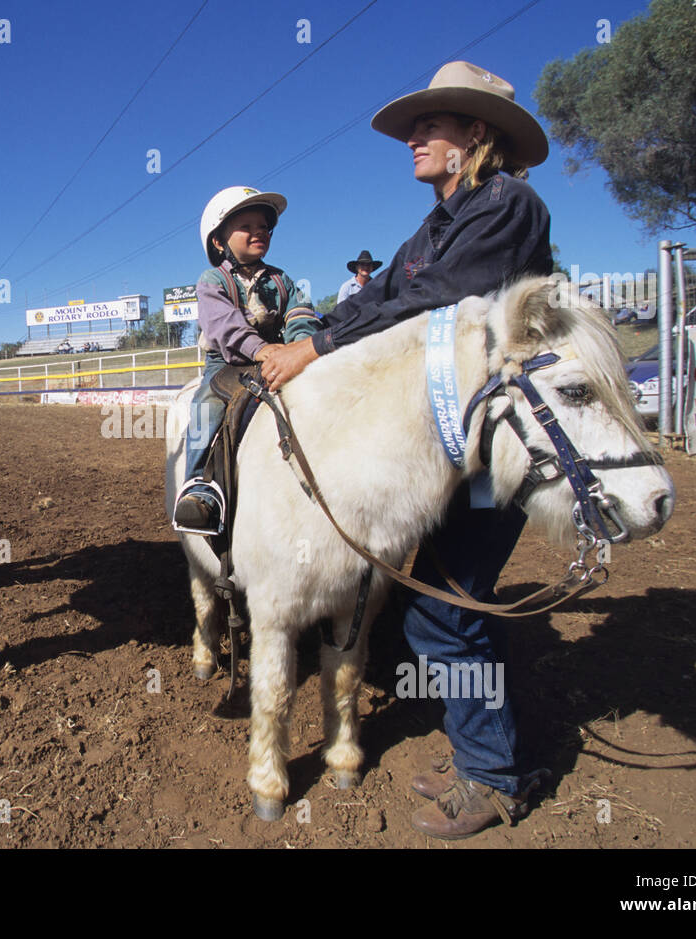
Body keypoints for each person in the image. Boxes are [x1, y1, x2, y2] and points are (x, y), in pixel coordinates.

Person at [262, 62, 554, 839]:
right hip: (447, 441)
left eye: (431, 127)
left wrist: (319, 347)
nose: (415, 140)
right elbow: (383, 293)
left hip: (495, 446)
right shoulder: (432, 227)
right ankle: (477, 754)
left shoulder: (509, 206)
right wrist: (305, 334)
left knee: (445, 610)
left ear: (477, 136)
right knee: (445, 607)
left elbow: (436, 299)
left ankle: (494, 775)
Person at [171, 186, 319, 534]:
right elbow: (224, 327)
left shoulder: (282, 280)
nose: (259, 232)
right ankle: (199, 488)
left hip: (278, 356)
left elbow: (301, 314)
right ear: (219, 241)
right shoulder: (213, 281)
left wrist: (299, 346)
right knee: (207, 407)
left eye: (264, 227)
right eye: (247, 226)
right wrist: (261, 349)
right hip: (227, 364)